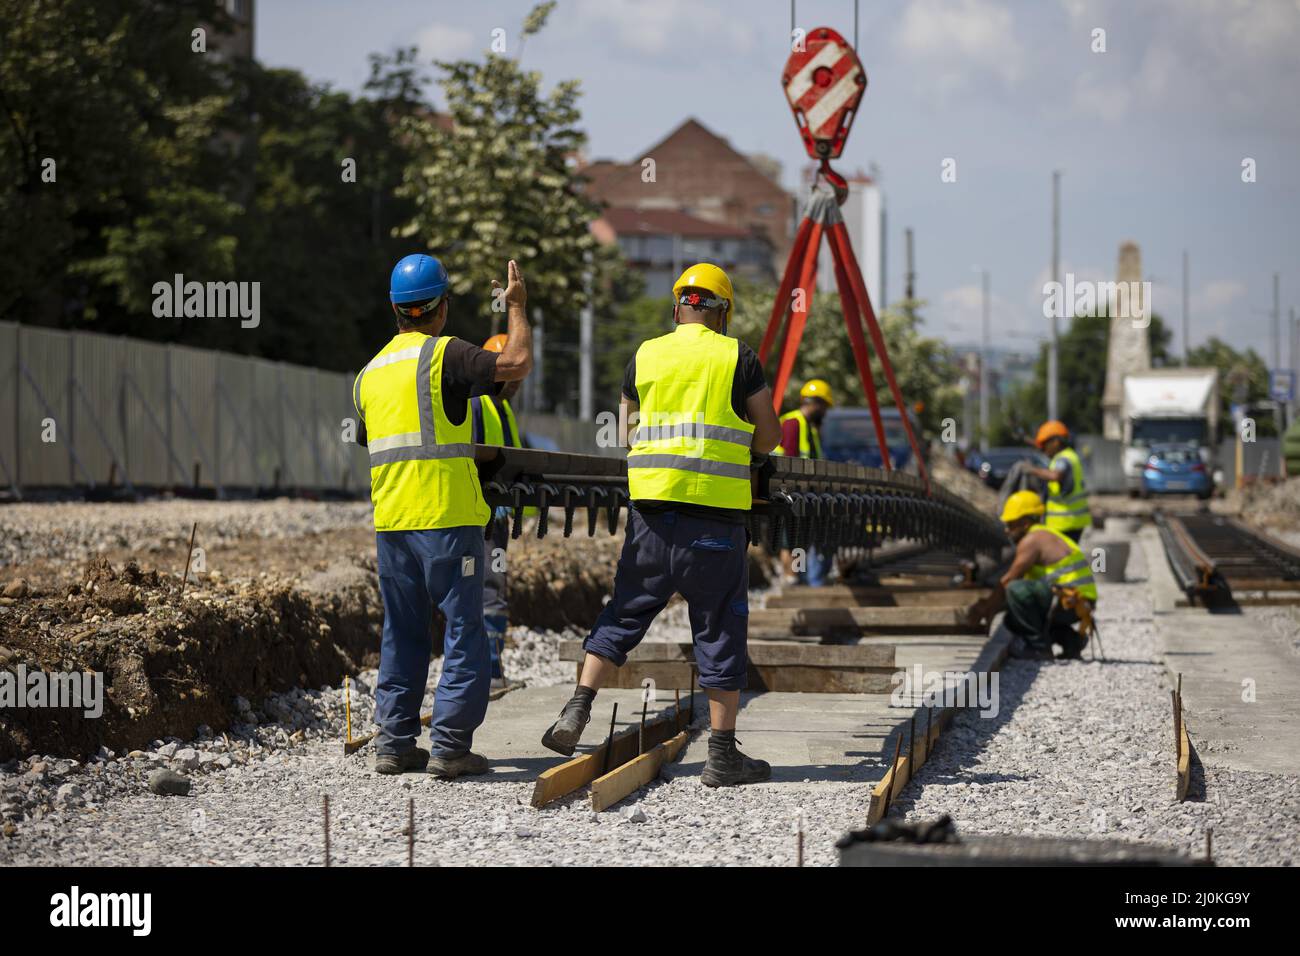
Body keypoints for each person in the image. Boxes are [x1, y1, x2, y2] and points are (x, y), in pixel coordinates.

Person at [539, 263, 783, 787]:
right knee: (718, 624)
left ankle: (577, 709)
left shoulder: (646, 354)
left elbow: (627, 431)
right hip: (715, 521)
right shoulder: (737, 357)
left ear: (678, 308)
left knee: (625, 609)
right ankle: (721, 756)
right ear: (722, 312)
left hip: (651, 515)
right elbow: (767, 437)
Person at [352, 254, 531, 779]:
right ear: (442, 308)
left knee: (401, 632)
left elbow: (388, 440)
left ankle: (394, 744)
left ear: (394, 308)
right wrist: (517, 307)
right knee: (463, 630)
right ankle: (450, 747)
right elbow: (515, 362)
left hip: (392, 524)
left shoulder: (369, 374)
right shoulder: (444, 356)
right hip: (447, 521)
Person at [965, 490, 1098, 659]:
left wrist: (986, 607)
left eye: (1011, 524)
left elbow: (1009, 580)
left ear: (1025, 523)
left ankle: (1038, 647)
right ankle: (1071, 642)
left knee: (1016, 590)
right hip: (1079, 602)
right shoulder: (1045, 533)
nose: (1007, 530)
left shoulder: (1033, 540)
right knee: (1013, 619)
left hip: (1072, 602)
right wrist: (994, 606)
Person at [470, 333, 526, 694]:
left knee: (495, 585)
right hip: (483, 515)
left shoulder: (501, 408)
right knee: (489, 586)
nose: (518, 385)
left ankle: (492, 666)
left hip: (498, 516)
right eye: (515, 377)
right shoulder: (477, 405)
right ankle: (487, 671)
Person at [774, 380, 834, 585]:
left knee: (798, 539)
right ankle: (792, 579)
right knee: (790, 540)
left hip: (804, 494)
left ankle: (799, 577)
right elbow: (789, 461)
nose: (825, 413)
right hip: (789, 493)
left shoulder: (810, 428)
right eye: (824, 407)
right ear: (815, 403)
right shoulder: (793, 423)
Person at [1024, 420, 1091, 543]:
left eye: (1045, 444)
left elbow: (1055, 475)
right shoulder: (1070, 455)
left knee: (1062, 559)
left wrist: (1032, 470)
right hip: (1072, 521)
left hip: (1066, 522)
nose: (1043, 449)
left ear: (1056, 442)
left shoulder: (1063, 458)